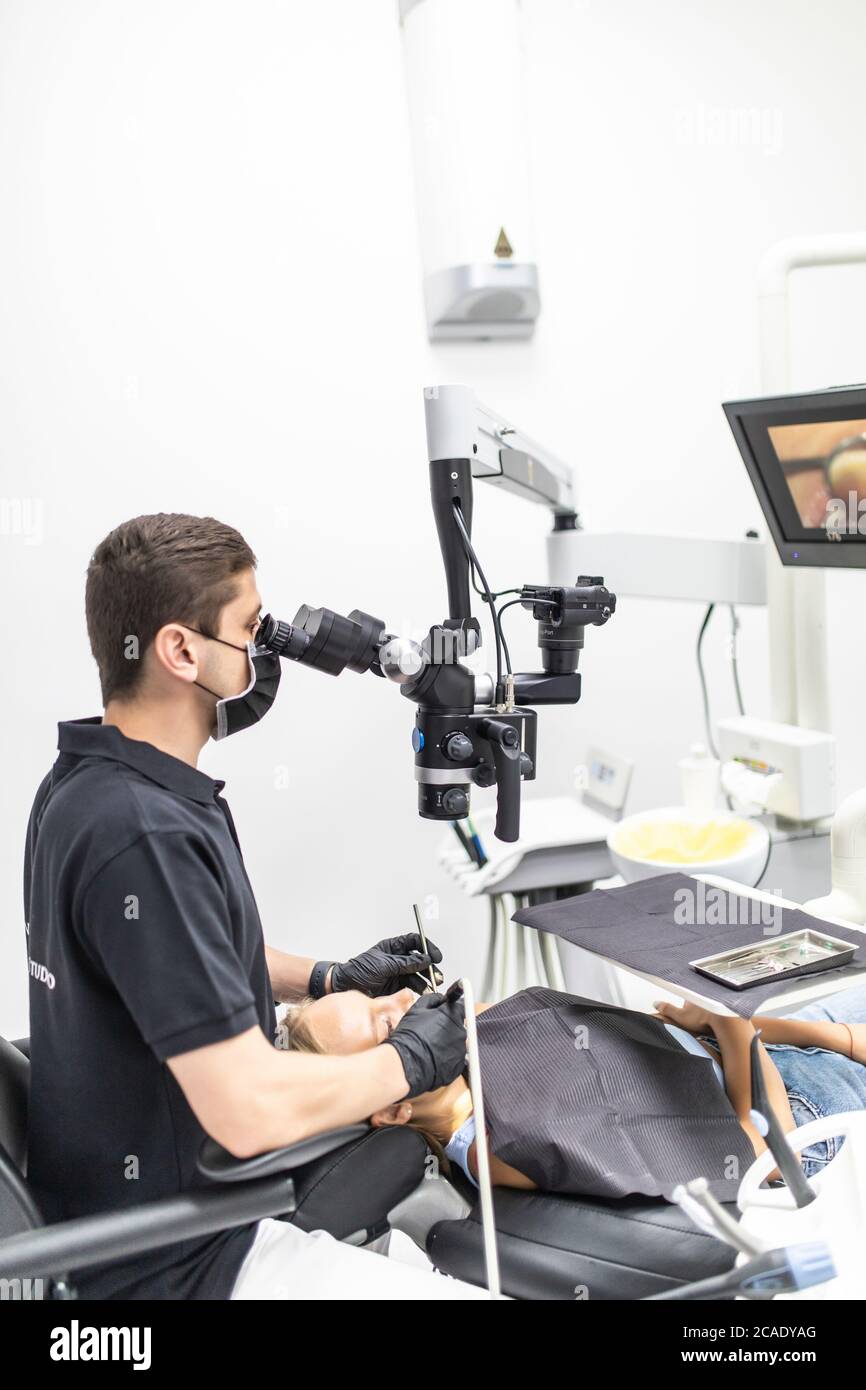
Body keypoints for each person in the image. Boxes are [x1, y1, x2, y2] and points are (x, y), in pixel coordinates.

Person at [24, 512, 488, 1301]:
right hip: (186, 1265)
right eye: (249, 627)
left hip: (163, 1221)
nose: (265, 649)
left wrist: (327, 976)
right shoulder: (145, 835)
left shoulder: (87, 784)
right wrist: (411, 1060)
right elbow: (247, 1108)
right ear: (180, 650)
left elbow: (169, 959)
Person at [281, 979, 866, 1194]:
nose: (409, 998)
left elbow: (644, 1047)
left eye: (381, 993)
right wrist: (738, 1028)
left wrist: (736, 1021)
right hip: (804, 1116)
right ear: (391, 1109)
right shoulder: (496, 1147)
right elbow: (766, 1159)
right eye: (390, 1023)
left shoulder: (479, 1041)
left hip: (760, 1048)